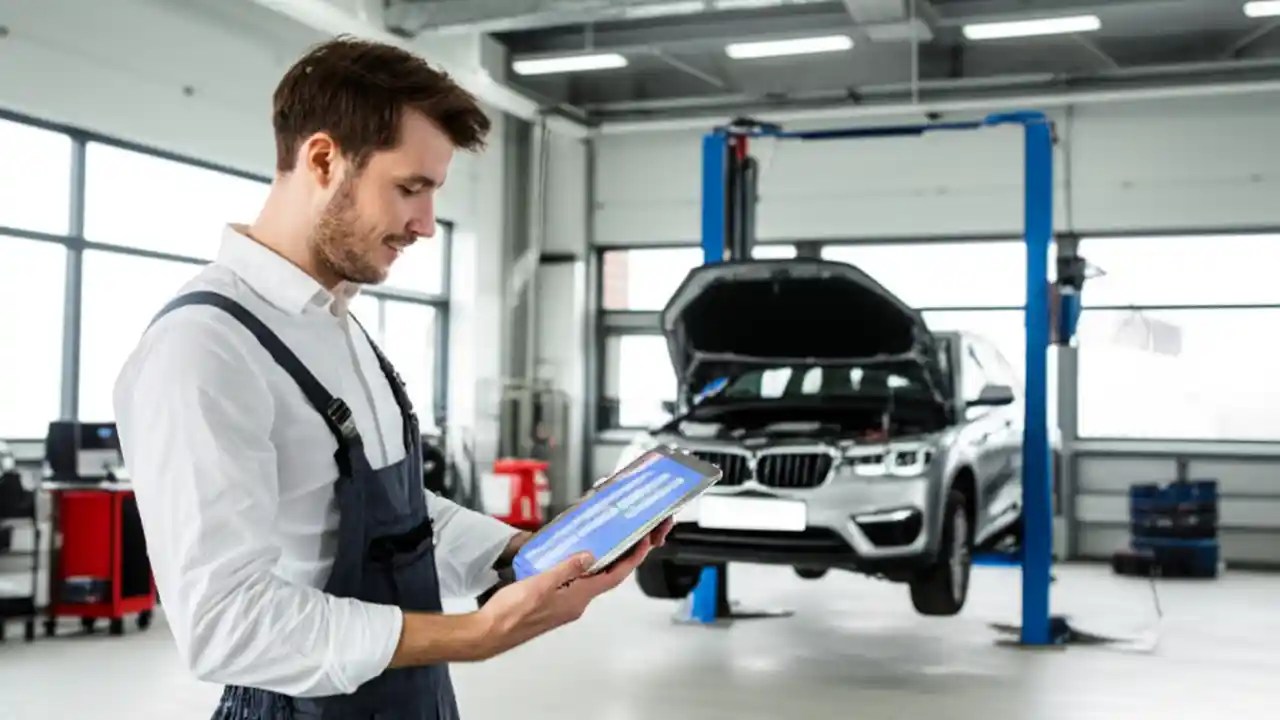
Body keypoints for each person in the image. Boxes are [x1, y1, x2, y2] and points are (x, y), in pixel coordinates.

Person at [113, 36, 671, 720]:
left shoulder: (336, 325)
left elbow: (397, 518)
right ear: (323, 159)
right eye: (411, 188)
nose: (427, 225)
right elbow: (223, 622)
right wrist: (474, 633)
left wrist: (524, 554)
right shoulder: (202, 351)